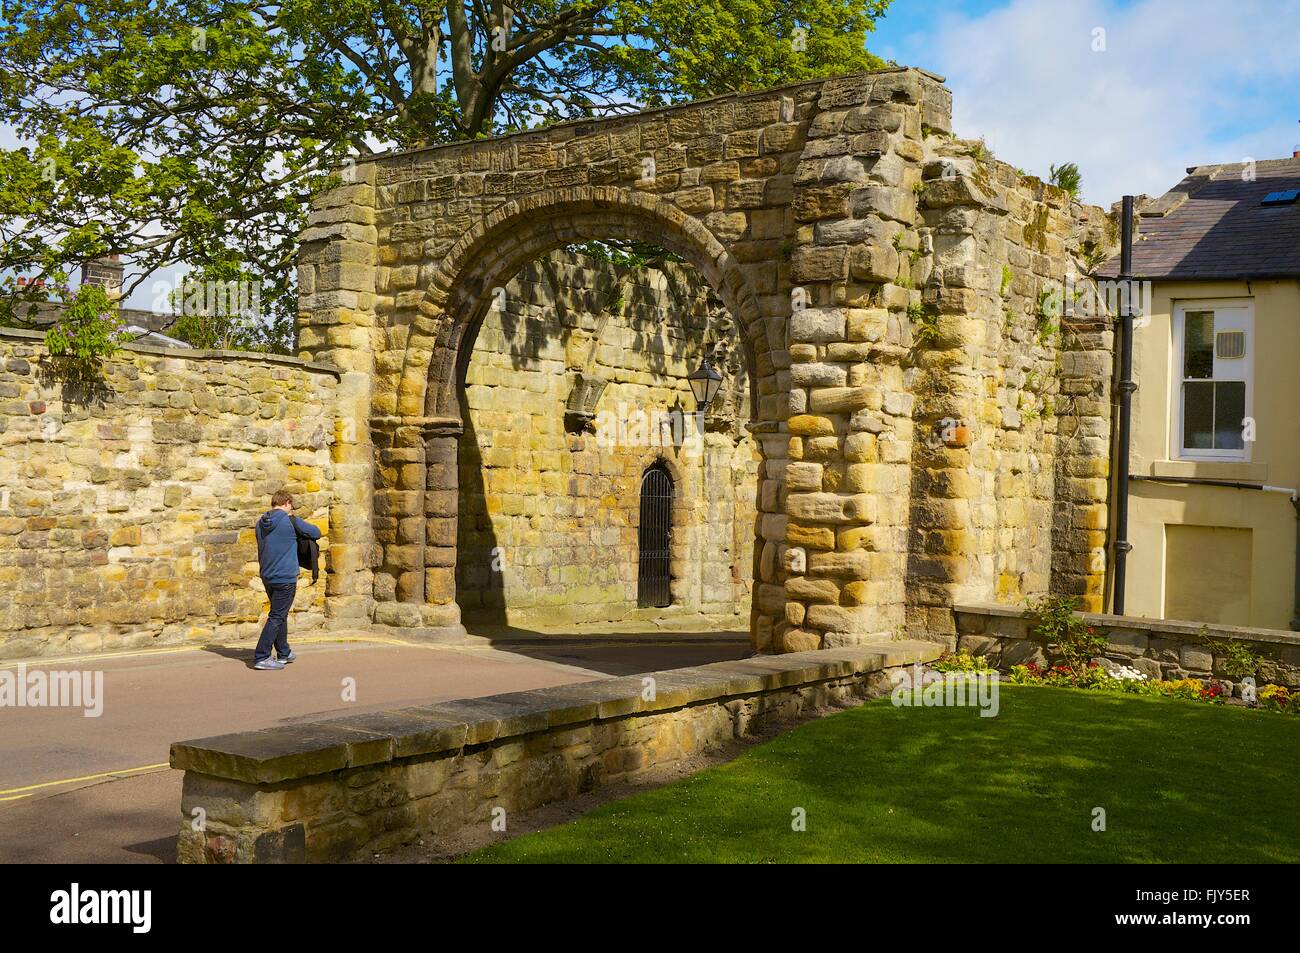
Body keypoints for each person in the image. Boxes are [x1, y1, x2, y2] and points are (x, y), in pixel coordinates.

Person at [252, 489, 322, 670]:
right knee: (276, 616)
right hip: (285, 576)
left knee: (279, 613)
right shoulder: (290, 521)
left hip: (267, 575)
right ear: (287, 503)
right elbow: (316, 532)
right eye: (291, 506)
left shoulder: (260, 523)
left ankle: (284, 652)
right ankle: (262, 656)